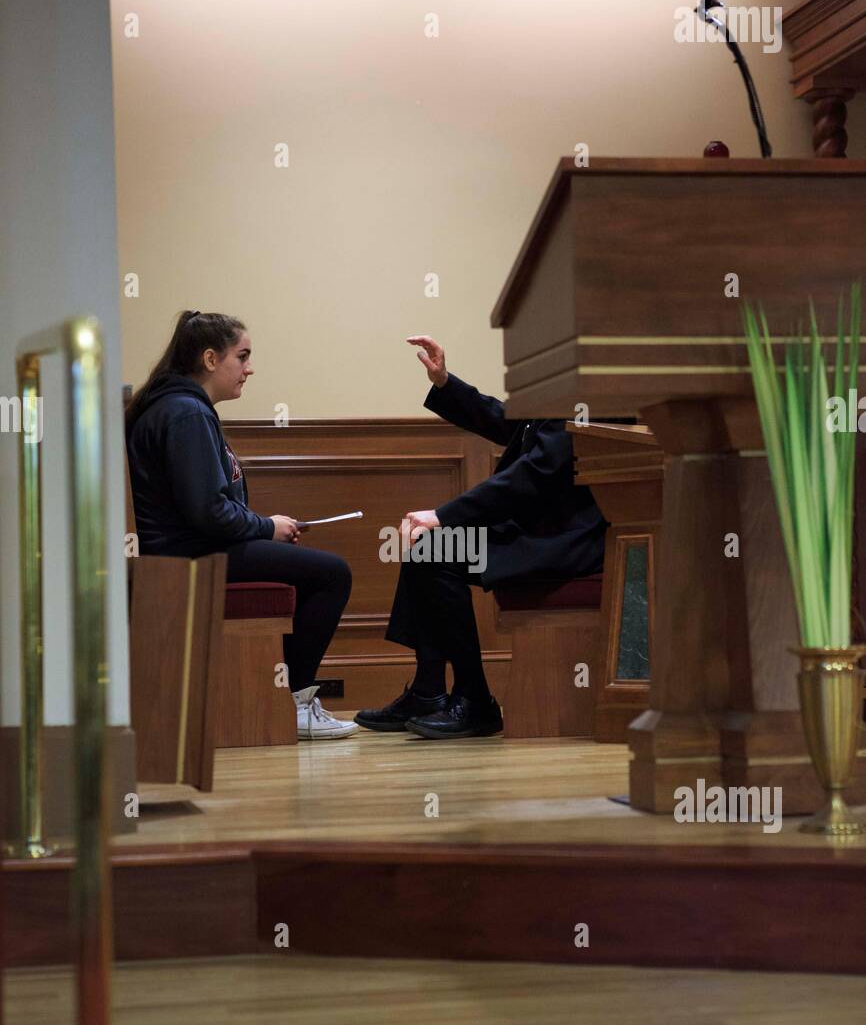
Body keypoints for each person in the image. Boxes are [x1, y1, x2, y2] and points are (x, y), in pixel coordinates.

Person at [355, 335, 607, 739]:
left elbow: (537, 473)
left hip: (567, 539)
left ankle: (476, 701)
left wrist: (443, 515)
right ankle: (428, 691)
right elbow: (515, 426)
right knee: (428, 549)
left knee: (435, 550)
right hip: (540, 527)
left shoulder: (591, 382)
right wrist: (445, 383)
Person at [126, 309, 357, 740]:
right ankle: (296, 703)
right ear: (211, 359)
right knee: (332, 574)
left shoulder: (180, 406)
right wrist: (266, 528)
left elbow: (210, 506)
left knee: (315, 568)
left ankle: (292, 699)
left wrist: (265, 526)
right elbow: (208, 512)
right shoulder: (185, 413)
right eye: (243, 356)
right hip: (190, 557)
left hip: (192, 548)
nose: (250, 368)